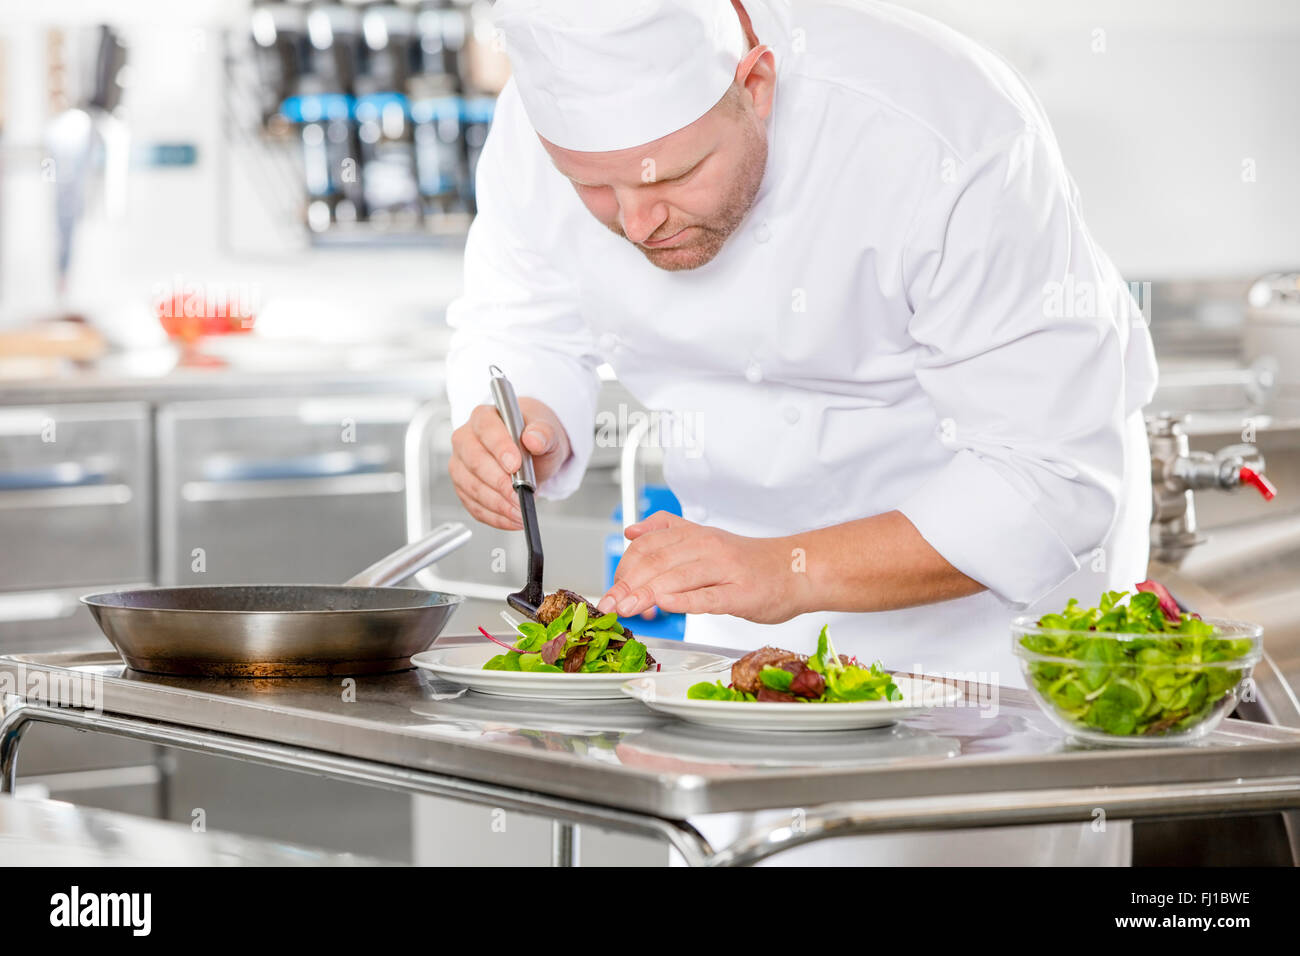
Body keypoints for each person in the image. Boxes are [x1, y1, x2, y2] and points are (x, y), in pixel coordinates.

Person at [445, 0, 1156, 865]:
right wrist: (526, 421)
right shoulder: (538, 124)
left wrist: (787, 566)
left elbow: (1048, 476)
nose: (636, 223)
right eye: (593, 188)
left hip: (982, 621)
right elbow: (526, 317)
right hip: (738, 609)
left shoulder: (945, 127)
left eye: (672, 176)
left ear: (757, 84)